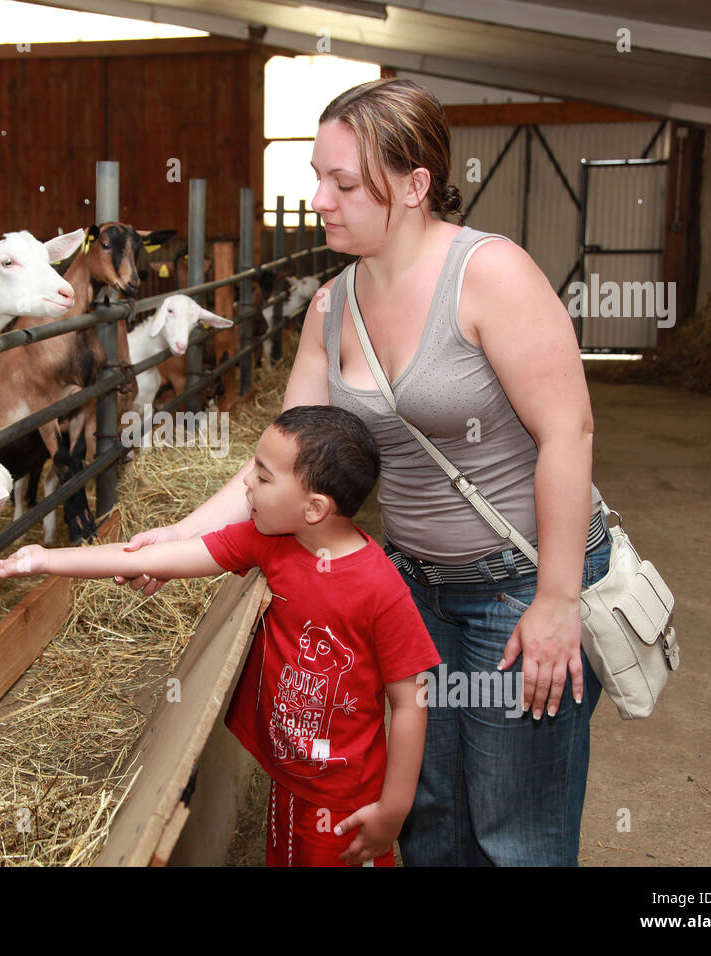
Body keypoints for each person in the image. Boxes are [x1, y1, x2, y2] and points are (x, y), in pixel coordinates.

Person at [114, 78, 613, 866]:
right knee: (428, 813)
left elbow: (569, 431)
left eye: (343, 183)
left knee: (514, 830)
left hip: (518, 581)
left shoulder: (490, 274)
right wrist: (177, 537)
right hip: (410, 585)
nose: (319, 198)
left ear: (416, 186)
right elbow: (279, 458)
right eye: (317, 176)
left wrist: (556, 601)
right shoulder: (330, 306)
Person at [0, 406, 442, 866]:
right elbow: (150, 559)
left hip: (343, 799)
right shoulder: (269, 542)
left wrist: (393, 809)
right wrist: (41, 560)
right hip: (288, 774)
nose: (246, 485)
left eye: (262, 477)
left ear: (314, 507)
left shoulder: (380, 587)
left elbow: (410, 700)